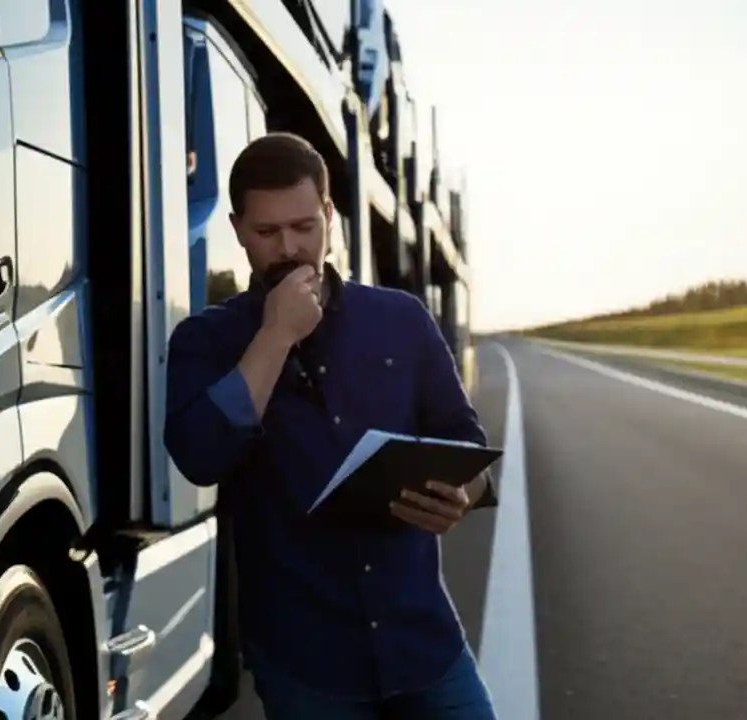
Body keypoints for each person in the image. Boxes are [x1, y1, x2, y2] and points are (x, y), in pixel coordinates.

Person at [164, 132, 498, 719]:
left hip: (426, 645)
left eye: (304, 227)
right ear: (239, 230)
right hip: (308, 667)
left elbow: (464, 440)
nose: (289, 248)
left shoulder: (401, 319)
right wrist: (275, 336)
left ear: (330, 218)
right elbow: (199, 455)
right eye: (267, 233)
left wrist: (461, 495)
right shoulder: (205, 340)